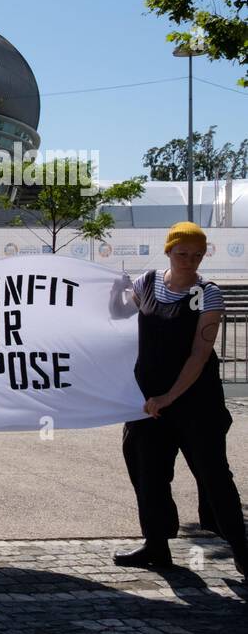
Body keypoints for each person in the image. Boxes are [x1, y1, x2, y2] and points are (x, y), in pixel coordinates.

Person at [112, 222, 247, 578]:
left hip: (194, 402)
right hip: (148, 403)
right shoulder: (147, 282)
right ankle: (156, 544)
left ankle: (241, 548)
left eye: (197, 255)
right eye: (182, 253)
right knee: (148, 474)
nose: (190, 261)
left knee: (214, 475)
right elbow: (119, 323)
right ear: (169, 250)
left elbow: (199, 354)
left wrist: (169, 396)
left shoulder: (209, 293)